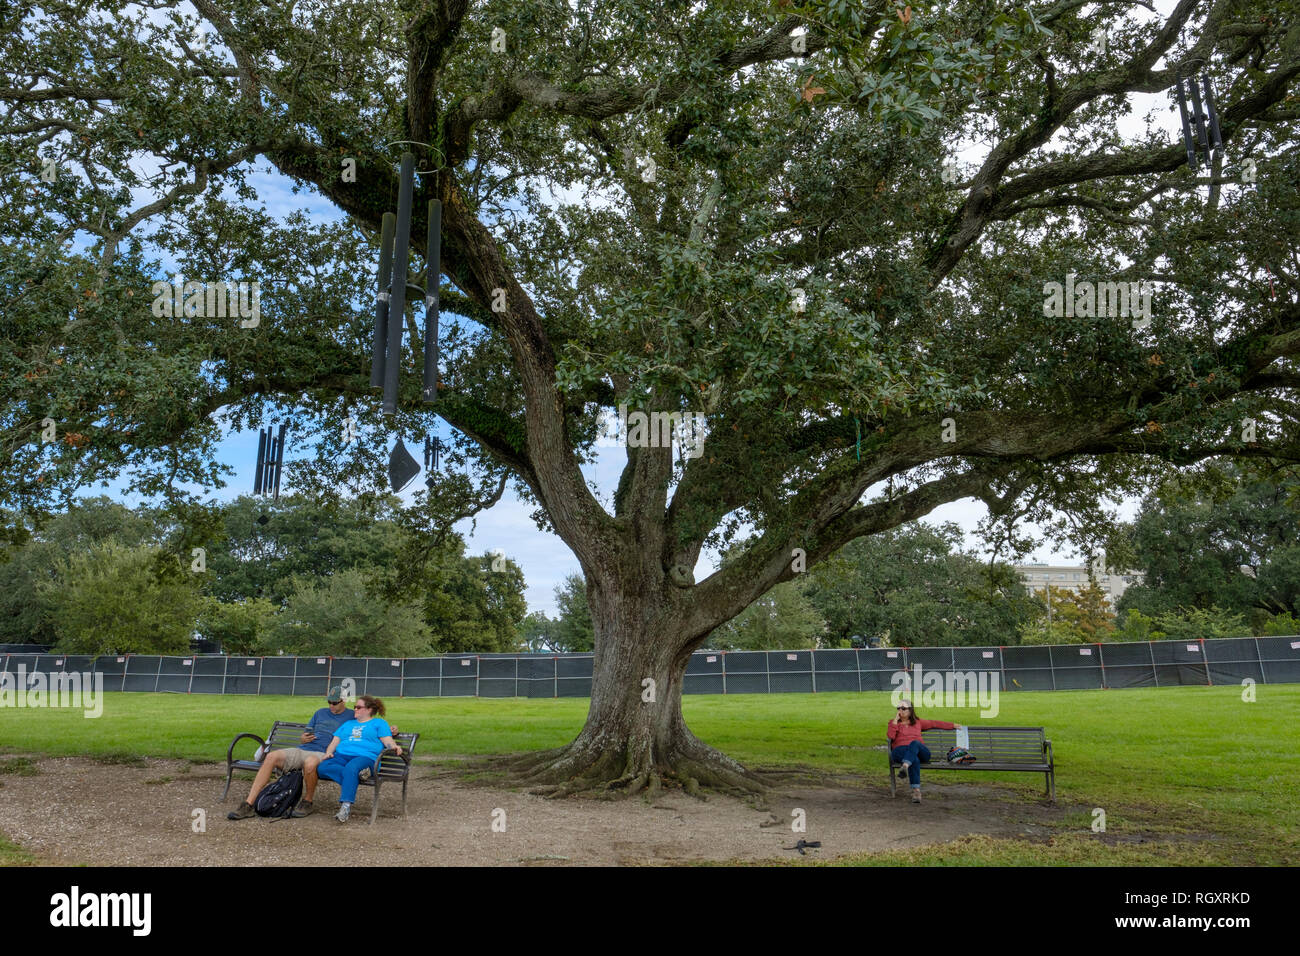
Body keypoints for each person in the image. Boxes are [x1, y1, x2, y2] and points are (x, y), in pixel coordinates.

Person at [228, 687, 354, 820]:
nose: (331, 706)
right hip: (304, 748)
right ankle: (248, 804)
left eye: (335, 703)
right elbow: (305, 734)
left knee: (310, 762)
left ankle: (307, 802)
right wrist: (303, 738)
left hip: (324, 753)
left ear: (344, 700)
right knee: (272, 756)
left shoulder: (351, 716)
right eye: (329, 702)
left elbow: (362, 731)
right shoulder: (320, 713)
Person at [316, 695, 402, 823]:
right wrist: (328, 753)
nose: (355, 709)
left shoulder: (378, 723)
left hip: (366, 757)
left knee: (352, 768)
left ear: (368, 710)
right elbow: (335, 741)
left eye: (358, 707)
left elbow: (387, 740)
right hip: (342, 756)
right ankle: (357, 776)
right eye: (355, 707)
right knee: (322, 767)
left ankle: (345, 807)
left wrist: (394, 746)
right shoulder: (348, 724)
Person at [887, 699, 962, 804]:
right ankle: (916, 791)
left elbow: (934, 723)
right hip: (900, 751)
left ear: (910, 710)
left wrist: (952, 725)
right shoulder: (893, 723)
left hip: (920, 751)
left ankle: (905, 766)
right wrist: (895, 720)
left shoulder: (918, 722)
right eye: (898, 708)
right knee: (914, 759)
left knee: (915, 743)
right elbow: (890, 736)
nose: (900, 710)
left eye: (903, 708)